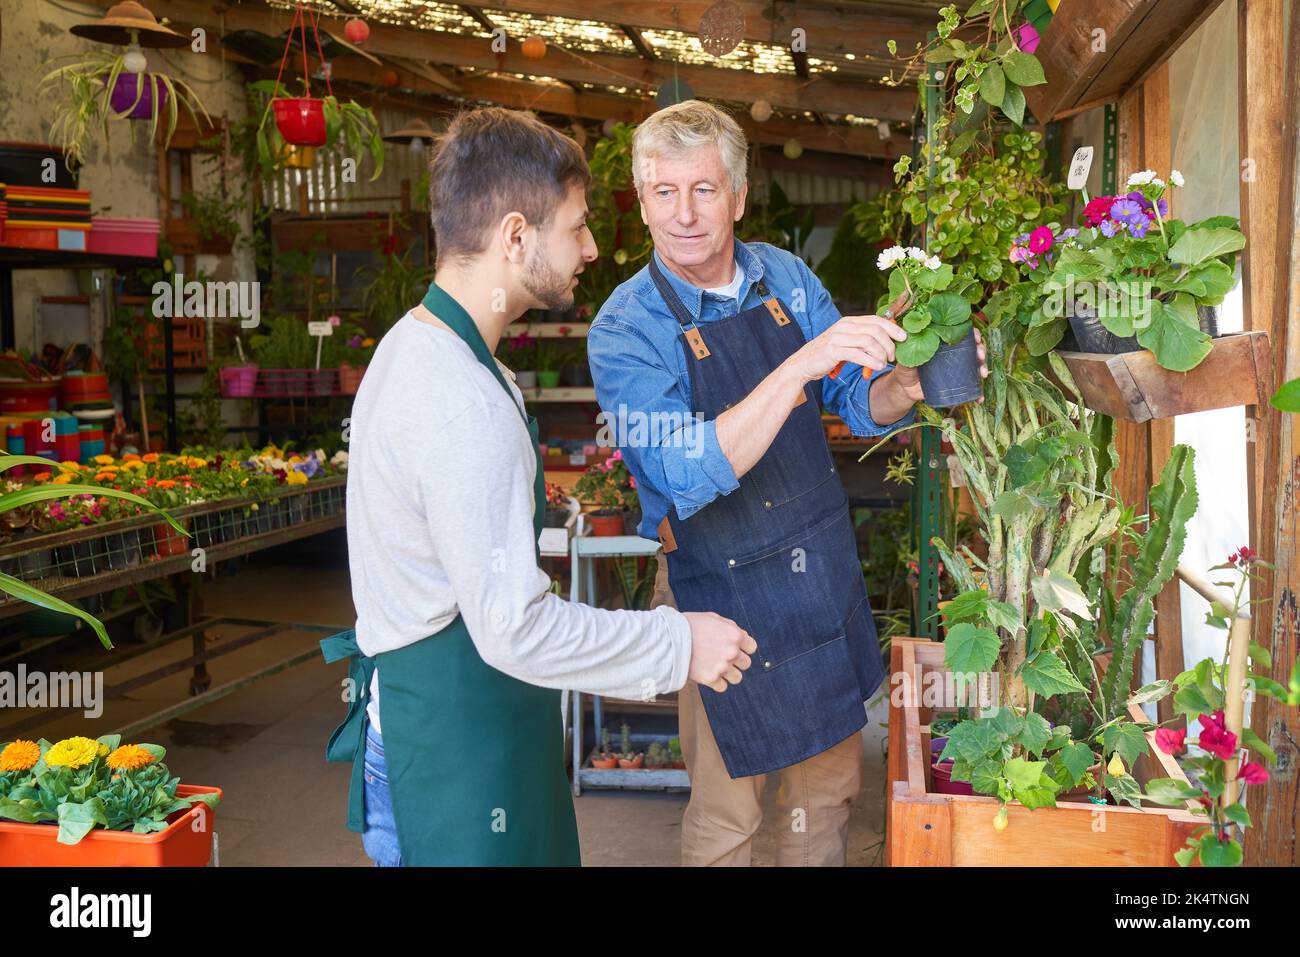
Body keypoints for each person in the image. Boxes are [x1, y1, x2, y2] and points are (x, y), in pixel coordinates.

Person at [320, 107, 755, 867]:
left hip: (471, 728)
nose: (591, 246)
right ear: (516, 236)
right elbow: (514, 629)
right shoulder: (458, 398)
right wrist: (678, 641)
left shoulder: (427, 346)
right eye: (577, 226)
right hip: (457, 752)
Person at [587, 100, 987, 866]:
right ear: (641, 204)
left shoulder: (787, 278)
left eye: (703, 189)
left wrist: (909, 380)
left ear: (737, 196)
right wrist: (802, 362)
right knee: (729, 809)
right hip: (718, 595)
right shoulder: (627, 328)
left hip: (816, 583)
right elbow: (683, 470)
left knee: (827, 796)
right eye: (663, 193)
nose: (684, 214)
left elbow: (856, 402)